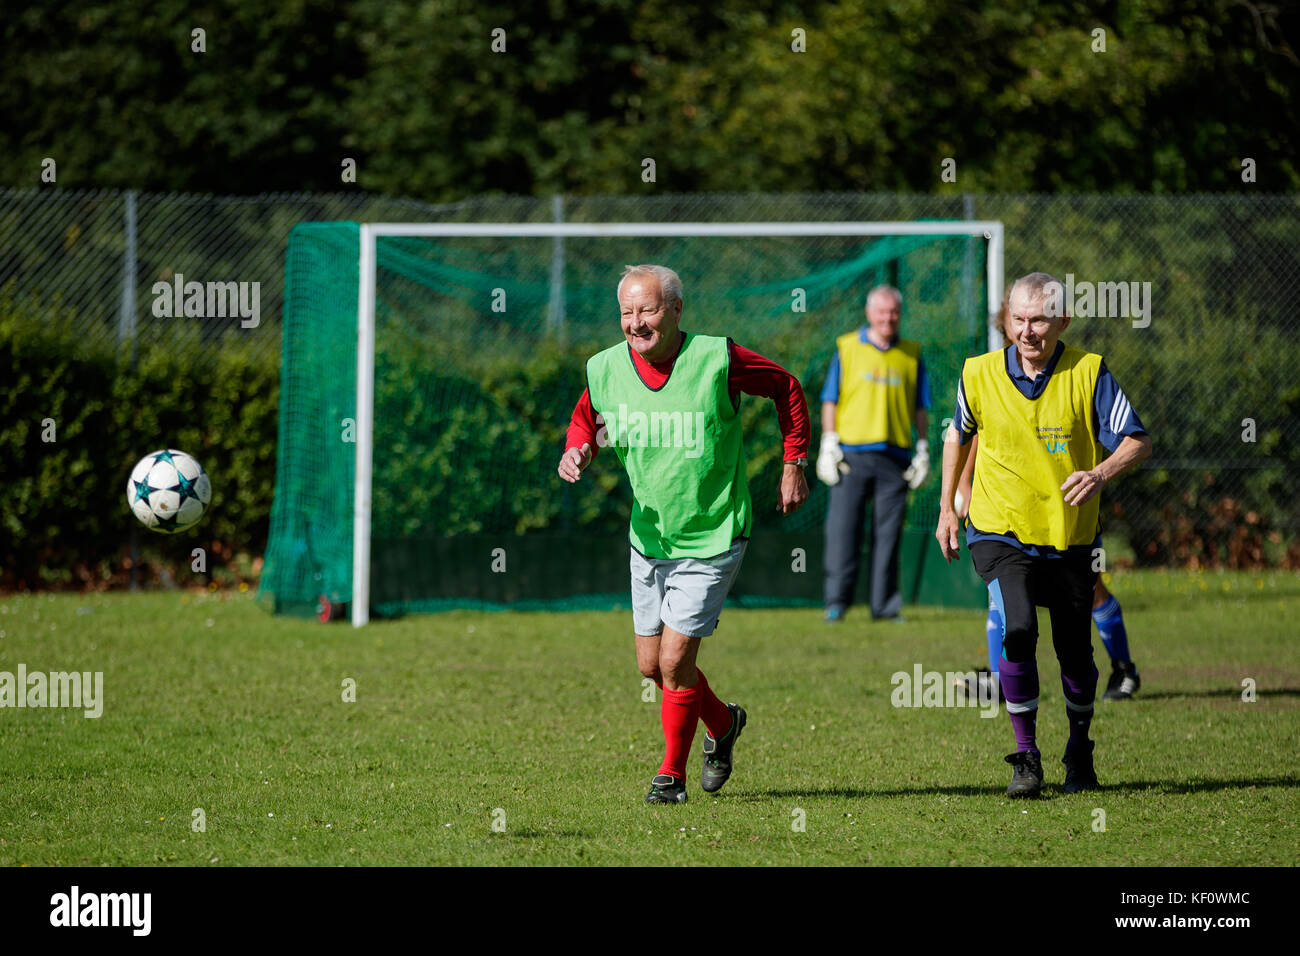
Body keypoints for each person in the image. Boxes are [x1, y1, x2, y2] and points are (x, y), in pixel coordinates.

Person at [558, 264, 810, 804]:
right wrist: (577, 449)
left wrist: (794, 462)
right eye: (626, 312)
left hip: (714, 533)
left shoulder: (717, 357)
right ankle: (723, 724)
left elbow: (786, 386)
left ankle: (670, 778)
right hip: (649, 538)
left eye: (646, 309)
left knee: (674, 662)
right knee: (652, 667)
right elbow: (587, 418)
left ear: (676, 309)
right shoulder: (604, 368)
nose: (635, 322)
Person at [936, 272, 1152, 798]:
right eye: (1018, 319)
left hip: (1069, 536)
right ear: (1006, 319)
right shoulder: (978, 373)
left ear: (1062, 321)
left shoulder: (1089, 373)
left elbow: (1137, 439)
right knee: (1018, 629)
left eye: (1038, 320)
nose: (1027, 331)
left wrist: (1099, 472)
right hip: (998, 530)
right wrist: (946, 507)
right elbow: (957, 436)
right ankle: (1025, 756)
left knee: (1075, 654)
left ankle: (1079, 747)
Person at [956, 447, 1142, 703]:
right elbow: (975, 428)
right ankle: (1001, 680)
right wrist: (964, 485)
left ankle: (1124, 671)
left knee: (1093, 589)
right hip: (1016, 514)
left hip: (1068, 513)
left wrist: (1096, 473)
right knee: (1001, 590)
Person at [817, 285, 931, 622]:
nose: (888, 318)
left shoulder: (912, 352)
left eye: (894, 311)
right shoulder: (847, 347)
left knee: (889, 536)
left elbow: (920, 406)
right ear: (869, 313)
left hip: (895, 457)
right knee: (842, 532)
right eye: (882, 311)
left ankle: (884, 606)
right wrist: (828, 443)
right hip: (850, 455)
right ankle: (836, 602)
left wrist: (923, 448)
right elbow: (830, 399)